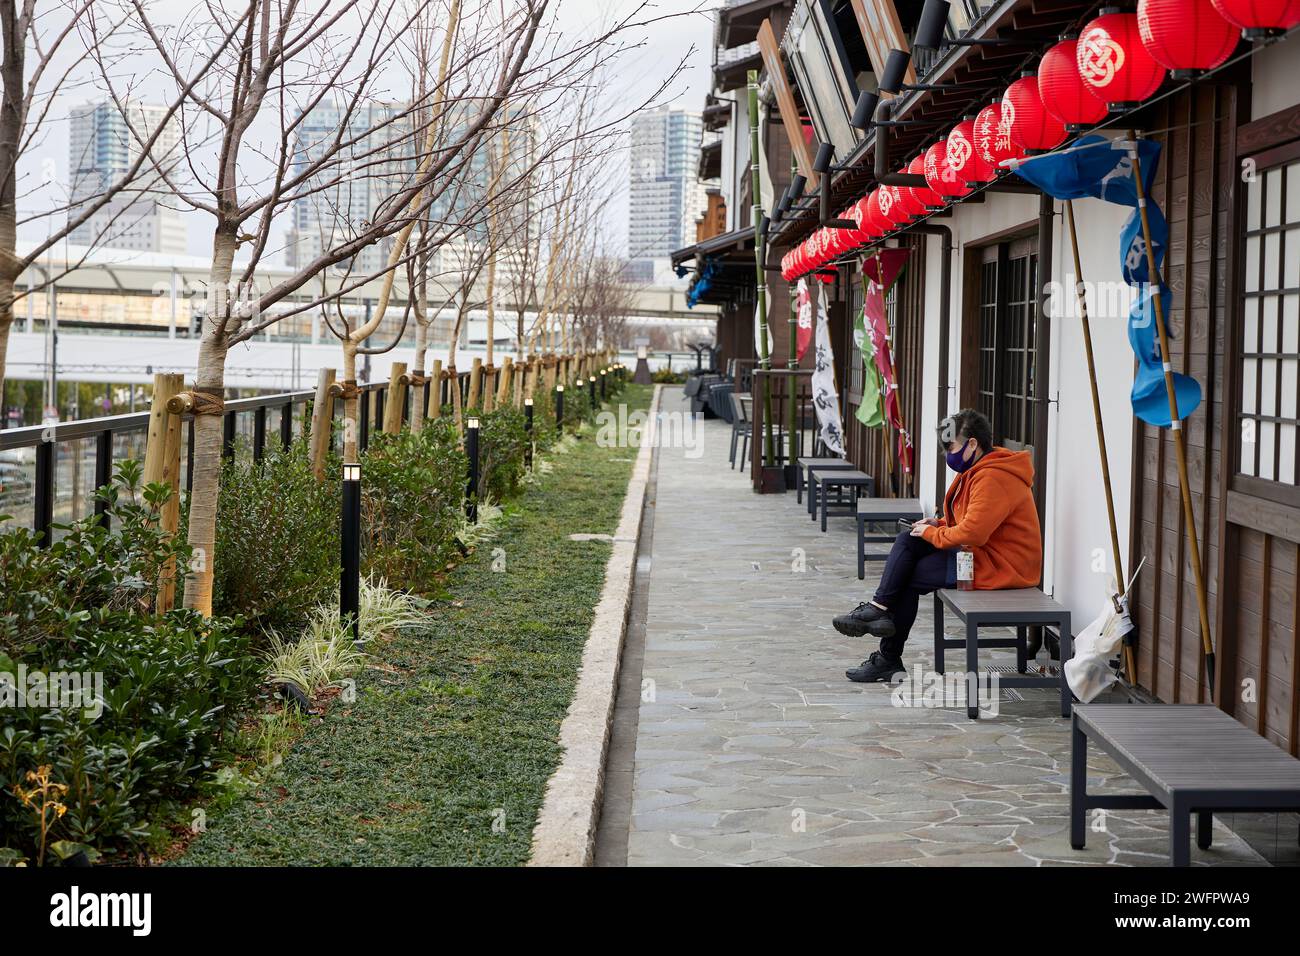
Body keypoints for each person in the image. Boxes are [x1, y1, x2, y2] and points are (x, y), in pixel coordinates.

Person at [835, 408, 1042, 683]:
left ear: (972, 444)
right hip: (980, 556)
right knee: (908, 539)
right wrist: (939, 524)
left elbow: (973, 533)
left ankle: (885, 643)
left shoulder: (994, 476)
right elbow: (968, 522)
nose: (948, 455)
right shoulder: (978, 469)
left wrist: (934, 533)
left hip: (1001, 566)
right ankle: (880, 614)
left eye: (951, 447)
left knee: (907, 576)